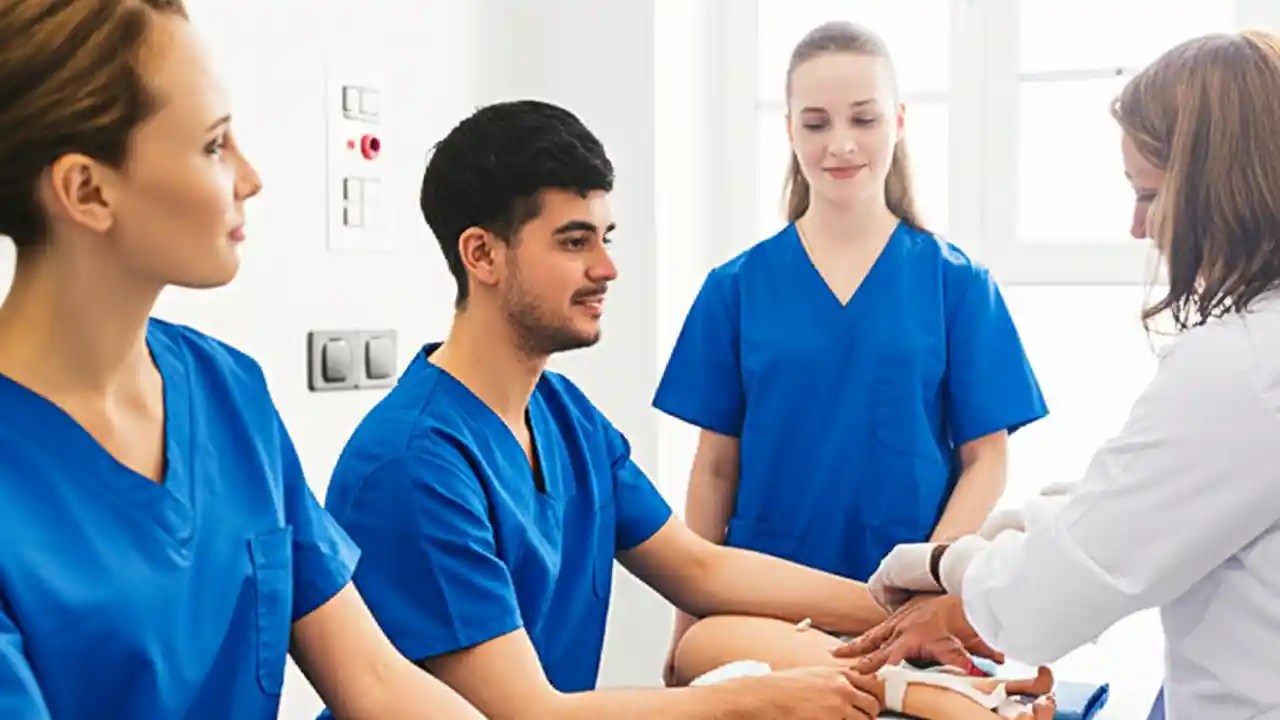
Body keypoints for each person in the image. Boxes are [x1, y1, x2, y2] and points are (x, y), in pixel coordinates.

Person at [321, 98, 995, 720]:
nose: (608, 268)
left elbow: (698, 568)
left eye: (606, 237)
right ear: (482, 255)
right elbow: (528, 712)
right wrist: (755, 699)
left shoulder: (562, 415)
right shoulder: (414, 464)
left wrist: (905, 609)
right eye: (574, 241)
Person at [0, 2, 488, 718]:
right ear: (87, 190)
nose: (251, 177)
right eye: (213, 146)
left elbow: (376, 682)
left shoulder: (227, 391)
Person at [833, 29, 1280, 720]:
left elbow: (1049, 593)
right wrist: (987, 545)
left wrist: (942, 566)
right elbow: (1136, 498)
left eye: (1150, 194)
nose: (1139, 228)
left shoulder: (1243, 365)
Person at [652, 19, 1048, 680]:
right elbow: (715, 469)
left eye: (863, 119)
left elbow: (987, 458)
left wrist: (928, 580)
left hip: (898, 613)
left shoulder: (956, 284)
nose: (841, 144)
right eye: (815, 123)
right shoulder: (735, 289)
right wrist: (687, 621)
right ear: (788, 131)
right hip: (761, 608)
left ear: (897, 121)